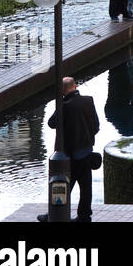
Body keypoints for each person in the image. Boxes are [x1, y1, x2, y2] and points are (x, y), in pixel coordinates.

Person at [43, 77, 99, 222]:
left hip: (70, 155)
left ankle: (54, 214)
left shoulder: (65, 106)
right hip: (87, 151)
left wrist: (60, 104)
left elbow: (51, 123)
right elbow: (96, 126)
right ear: (75, 86)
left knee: (63, 184)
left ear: (62, 90)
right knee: (86, 187)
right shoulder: (88, 100)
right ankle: (84, 216)